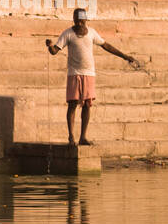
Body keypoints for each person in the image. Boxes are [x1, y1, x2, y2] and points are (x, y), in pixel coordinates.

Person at [45, 8, 136, 146]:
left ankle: (83, 137)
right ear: (74, 20)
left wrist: (125, 56)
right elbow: (54, 51)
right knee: (72, 104)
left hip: (89, 73)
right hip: (74, 74)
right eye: (77, 21)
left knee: (87, 104)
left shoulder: (92, 33)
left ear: (85, 20)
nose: (80, 23)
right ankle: (71, 137)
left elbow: (106, 46)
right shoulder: (68, 33)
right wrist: (50, 46)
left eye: (82, 21)